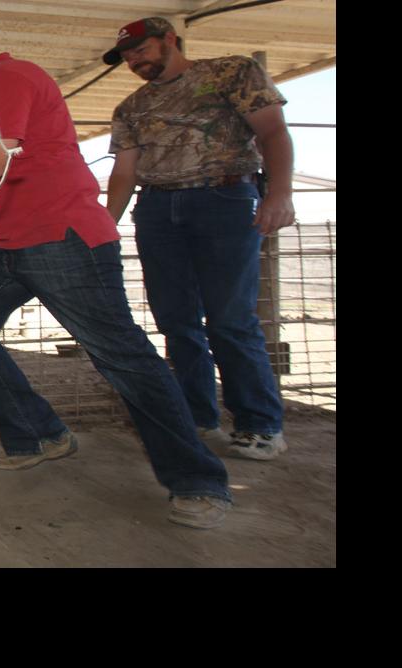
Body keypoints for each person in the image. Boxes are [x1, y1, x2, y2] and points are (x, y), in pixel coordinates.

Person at [0, 14, 232, 530]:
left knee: (121, 356)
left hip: (63, 236)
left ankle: (197, 479)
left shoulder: (9, 79)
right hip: (11, 242)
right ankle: (39, 433)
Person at [103, 17, 295, 461]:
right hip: (156, 209)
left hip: (224, 198)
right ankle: (196, 416)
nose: (133, 59)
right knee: (174, 319)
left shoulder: (231, 72)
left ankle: (259, 425)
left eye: (140, 49)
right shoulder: (131, 107)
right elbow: (124, 173)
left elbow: (272, 132)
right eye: (127, 55)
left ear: (170, 38)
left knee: (230, 317)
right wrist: (103, 227)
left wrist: (280, 192)